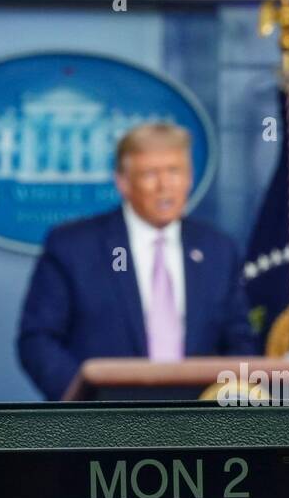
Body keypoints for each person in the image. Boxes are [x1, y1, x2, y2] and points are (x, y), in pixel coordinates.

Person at [17, 122, 256, 399]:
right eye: (150, 174)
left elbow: (240, 342)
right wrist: (85, 402)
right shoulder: (73, 247)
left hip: (198, 427)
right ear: (124, 183)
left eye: (174, 171)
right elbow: (38, 340)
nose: (164, 185)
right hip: (104, 428)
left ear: (189, 177)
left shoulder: (217, 249)